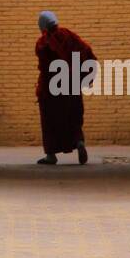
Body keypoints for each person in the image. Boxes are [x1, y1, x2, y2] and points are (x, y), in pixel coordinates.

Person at [34, 10, 94, 166]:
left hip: (52, 89)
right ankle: (79, 142)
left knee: (50, 121)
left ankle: (51, 155)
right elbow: (86, 52)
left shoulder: (43, 43)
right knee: (73, 117)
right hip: (72, 85)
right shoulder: (69, 35)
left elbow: (45, 68)